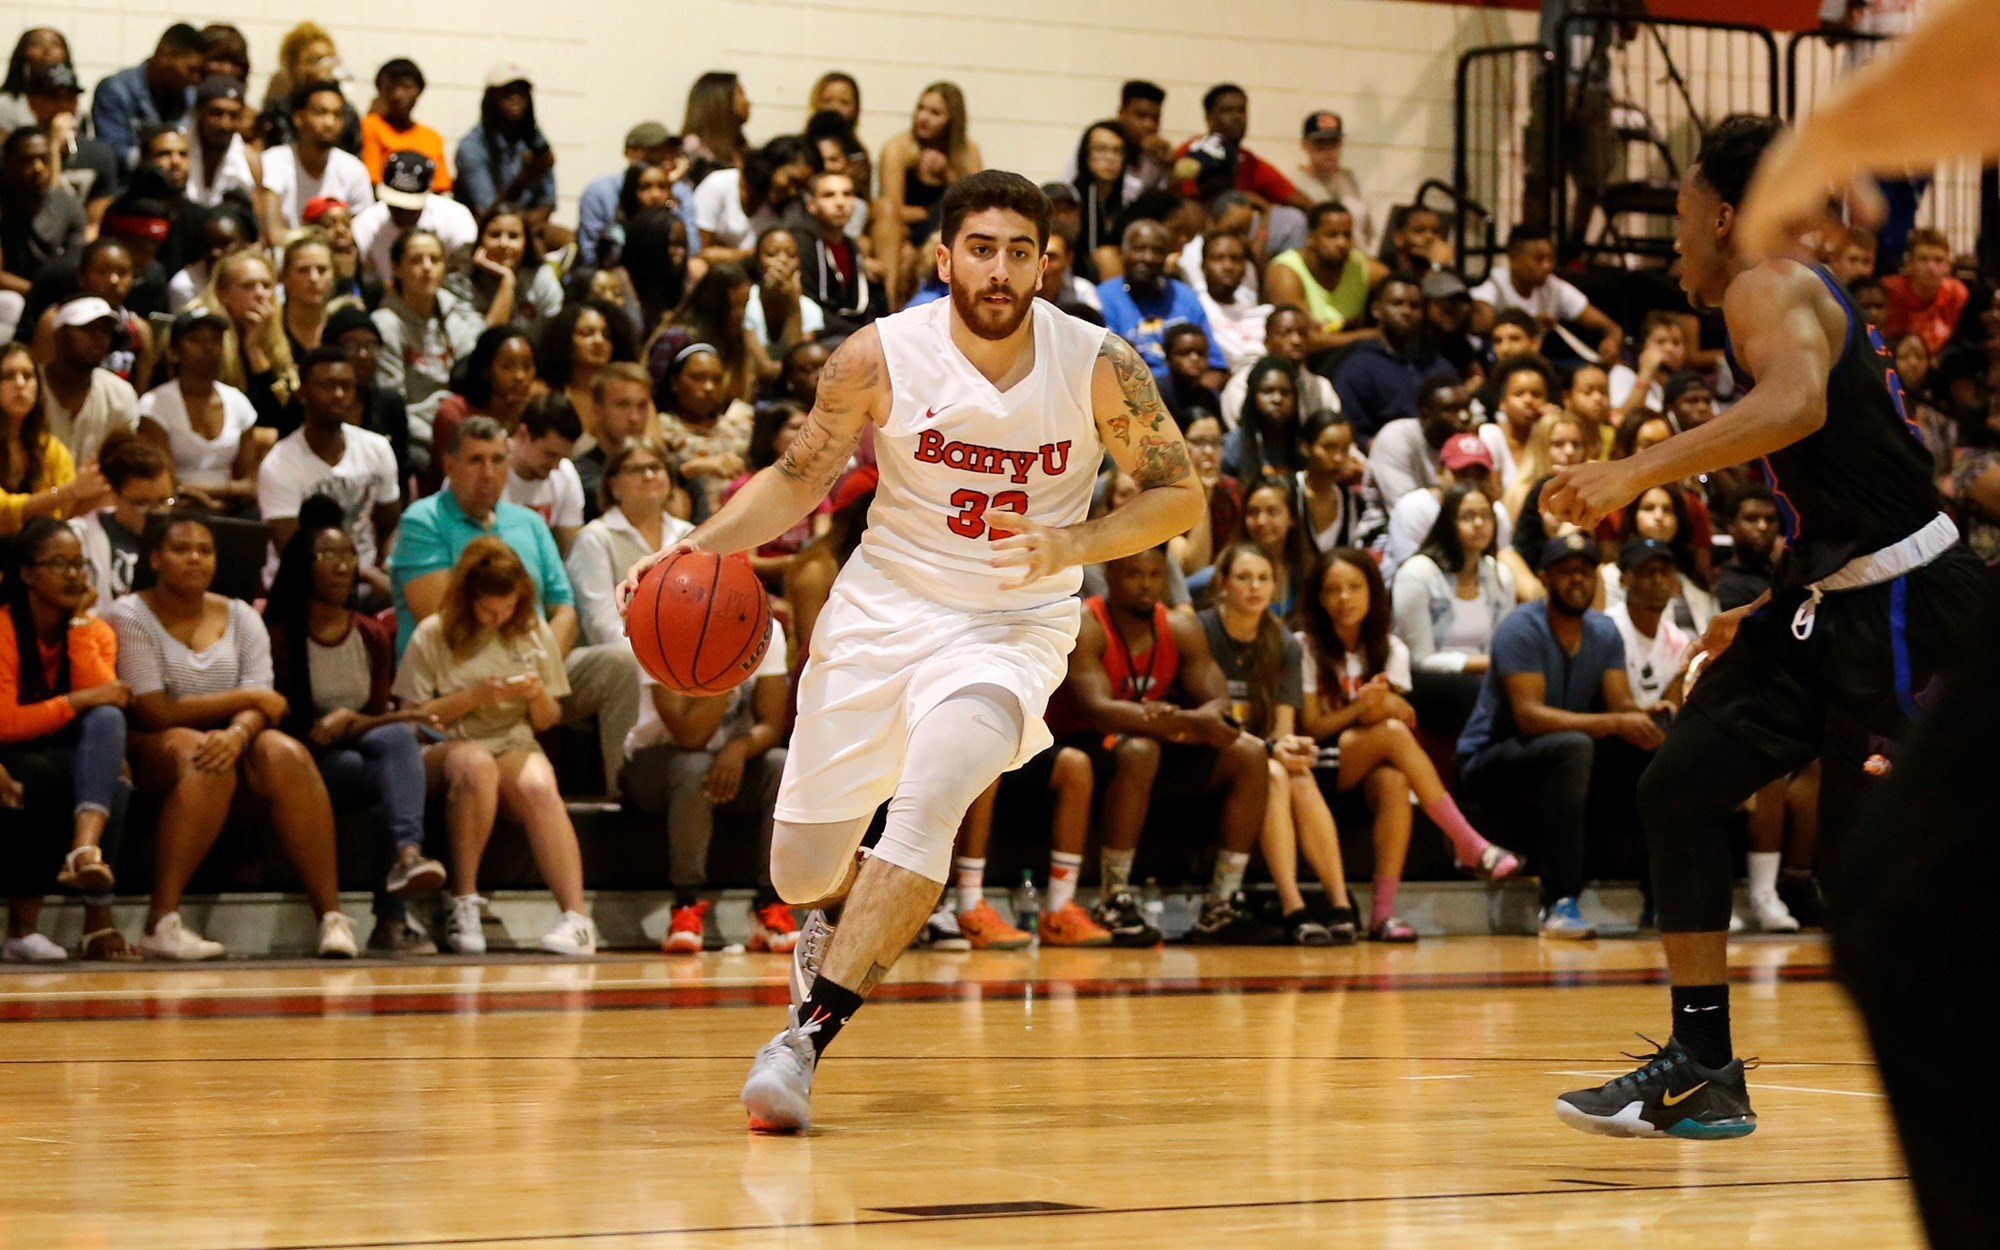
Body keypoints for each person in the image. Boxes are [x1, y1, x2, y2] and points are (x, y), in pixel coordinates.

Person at [614, 172, 1203, 1131]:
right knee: (802, 873)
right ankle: (825, 935)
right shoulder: (877, 355)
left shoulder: (1099, 364)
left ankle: (803, 1041)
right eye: (981, 248)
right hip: (882, 612)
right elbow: (798, 479)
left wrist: (1077, 544)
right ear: (943, 257)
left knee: (931, 800)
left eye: (1021, 250)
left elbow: (1179, 495)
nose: (1000, 269)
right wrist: (689, 550)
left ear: (1046, 261)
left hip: (1012, 628)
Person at [1546, 114, 1989, 1143]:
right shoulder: (1783, 291)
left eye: (1677, 219)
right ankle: (1701, 1067)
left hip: (1904, 607)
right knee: (1680, 781)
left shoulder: (1760, 280)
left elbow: (1791, 405)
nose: (1671, 246)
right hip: (1835, 596)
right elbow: (1843, 469)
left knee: (1880, 873)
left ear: (1720, 213)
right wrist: (1762, 604)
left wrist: (1631, 468)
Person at [107, 510, 355, 960]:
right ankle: (161, 922)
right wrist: (246, 701)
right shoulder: (129, 612)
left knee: (287, 753)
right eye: (181, 549)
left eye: (205, 550)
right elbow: (155, 708)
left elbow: (268, 704)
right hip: (150, 746)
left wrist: (240, 732)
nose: (195, 558)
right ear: (156, 559)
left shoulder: (242, 614)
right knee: (202, 754)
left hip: (233, 743)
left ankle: (332, 918)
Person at [390, 415, 638, 796]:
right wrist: (519, 665)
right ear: (449, 465)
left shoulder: (529, 523)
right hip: (460, 675)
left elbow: (564, 607)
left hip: (530, 665)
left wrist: (538, 666)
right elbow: (439, 617)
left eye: (497, 459)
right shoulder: (422, 521)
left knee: (619, 663)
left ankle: (622, 793)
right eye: (475, 460)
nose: (488, 473)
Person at [1045, 546, 1267, 946]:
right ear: (1110, 575)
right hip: (1083, 745)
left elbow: (1216, 698)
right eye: (1133, 574)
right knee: (1139, 750)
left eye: (1154, 575)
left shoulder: (1181, 627)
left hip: (1151, 746)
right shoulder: (1087, 623)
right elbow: (1097, 710)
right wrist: (1180, 721)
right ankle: (1114, 898)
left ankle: (1222, 901)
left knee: (1249, 753)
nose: (1146, 585)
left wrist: (1207, 720)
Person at [1299, 547, 1520, 942]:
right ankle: (1468, 843)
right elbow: (1313, 727)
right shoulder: (1305, 646)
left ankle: (1383, 915)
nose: (1344, 598)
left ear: (1372, 593)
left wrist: (1380, 708)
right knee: (1393, 735)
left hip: (1368, 769)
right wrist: (1362, 708)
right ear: (1318, 597)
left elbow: (1399, 713)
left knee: (1395, 782)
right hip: (1318, 767)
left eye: (1354, 587)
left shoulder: (1392, 649)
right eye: (1333, 590)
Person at [391, 537, 598, 955]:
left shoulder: (532, 629)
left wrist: (537, 694)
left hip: (513, 739)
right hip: (450, 744)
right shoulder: (434, 633)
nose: (498, 615)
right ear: (467, 598)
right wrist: (472, 697)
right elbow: (409, 720)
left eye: (506, 606)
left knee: (539, 786)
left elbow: (547, 720)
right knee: (476, 765)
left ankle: (577, 918)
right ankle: (464, 900)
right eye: (488, 607)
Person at [1453, 532, 1659, 943]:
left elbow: (1620, 704)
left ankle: (1661, 899)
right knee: (1576, 747)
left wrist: (1654, 714)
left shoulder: (1604, 630)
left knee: (1658, 749)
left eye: (1586, 570)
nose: (1578, 579)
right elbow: (1529, 718)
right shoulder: (1520, 628)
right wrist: (1619, 723)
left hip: (1562, 761)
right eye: (1567, 571)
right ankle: (1558, 902)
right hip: (1491, 764)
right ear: (1546, 578)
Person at [262, 502, 444, 955]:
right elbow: (289, 727)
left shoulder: (371, 634)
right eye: (329, 557)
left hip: (359, 752)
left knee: (396, 749)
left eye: (349, 557)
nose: (343, 567)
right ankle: (392, 913)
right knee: (397, 760)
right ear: (303, 566)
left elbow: (377, 715)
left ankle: (405, 866)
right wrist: (358, 725)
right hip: (304, 762)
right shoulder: (280, 635)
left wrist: (353, 722)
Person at [1199, 543, 1353, 945]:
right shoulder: (1201, 632)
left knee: (1296, 774)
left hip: (1259, 755)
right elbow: (1208, 725)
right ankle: (1293, 906)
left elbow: (1282, 728)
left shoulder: (1284, 644)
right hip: (1206, 756)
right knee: (1272, 772)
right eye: (1244, 577)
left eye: (1264, 578)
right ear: (1222, 584)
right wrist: (1271, 751)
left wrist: (1289, 747)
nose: (1255, 587)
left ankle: (1339, 906)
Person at [0, 517, 132, 964]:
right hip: (12, 752)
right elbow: (3, 723)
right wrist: (77, 700)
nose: (74, 574)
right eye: (59, 564)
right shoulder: (3, 628)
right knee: (44, 774)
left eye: (79, 564)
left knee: (110, 740)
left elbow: (107, 699)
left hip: (70, 749)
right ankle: (22, 928)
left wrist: (77, 626)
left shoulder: (94, 631)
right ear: (26, 573)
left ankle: (83, 851)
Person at [626, 611, 794, 956]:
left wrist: (739, 746)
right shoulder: (660, 625)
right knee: (694, 765)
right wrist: (726, 663)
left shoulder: (766, 630)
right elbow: (690, 735)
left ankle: (770, 906)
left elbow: (772, 724)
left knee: (782, 764)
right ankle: (685, 906)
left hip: (729, 761)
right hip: (654, 765)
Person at [257, 347, 400, 602]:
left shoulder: (377, 448)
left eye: (347, 386)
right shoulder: (279, 464)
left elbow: (389, 525)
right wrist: (362, 576)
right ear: (303, 393)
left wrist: (388, 565)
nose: (339, 394)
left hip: (365, 584)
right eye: (327, 386)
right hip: (301, 590)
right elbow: (293, 553)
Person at [566, 437, 690, 651]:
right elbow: (601, 625)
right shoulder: (595, 538)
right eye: (636, 470)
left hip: (684, 645)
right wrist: (658, 653)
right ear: (613, 484)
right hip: (620, 652)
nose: (649, 476)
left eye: (655, 467)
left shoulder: (689, 534)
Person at [135, 306, 260, 516]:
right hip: (175, 508)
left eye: (215, 340)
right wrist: (226, 493)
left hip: (230, 510)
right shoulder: (155, 405)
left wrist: (216, 502)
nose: (207, 347)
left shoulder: (239, 402)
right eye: (195, 340)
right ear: (174, 352)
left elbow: (248, 484)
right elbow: (165, 483)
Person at [371, 228, 484, 457]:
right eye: (416, 260)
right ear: (396, 267)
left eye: (435, 259)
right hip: (416, 438)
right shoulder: (384, 324)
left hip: (463, 428)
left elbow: (477, 379)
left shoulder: (457, 316)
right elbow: (393, 403)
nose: (427, 267)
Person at [873, 82, 982, 304]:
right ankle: (888, 303)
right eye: (921, 109)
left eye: (935, 113)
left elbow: (976, 205)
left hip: (944, 228)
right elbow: (892, 208)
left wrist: (948, 174)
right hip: (906, 230)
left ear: (952, 120)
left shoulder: (966, 151)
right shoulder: (898, 148)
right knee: (904, 254)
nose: (923, 118)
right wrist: (926, 212)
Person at [1391, 484, 1516, 675]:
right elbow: (1419, 659)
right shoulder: (1417, 574)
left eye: (1486, 515)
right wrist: (1493, 664)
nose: (1478, 523)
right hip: (1431, 685)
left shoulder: (1500, 575)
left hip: (1486, 680)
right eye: (1467, 516)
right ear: (1448, 523)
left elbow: (1503, 645)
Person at [1329, 273, 1459, 440]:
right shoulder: (1356, 368)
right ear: (1376, 310)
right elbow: (1353, 432)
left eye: (1414, 306)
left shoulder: (1440, 367)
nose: (1406, 312)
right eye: (1397, 304)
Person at [1469, 226, 1623, 365]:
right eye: (1539, 259)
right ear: (1513, 259)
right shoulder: (1494, 283)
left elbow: (1611, 327)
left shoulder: (1553, 286)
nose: (1547, 266)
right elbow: (1480, 325)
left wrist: (1612, 340)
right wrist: (1533, 325)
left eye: (1551, 259)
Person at [1096, 220, 1225, 385]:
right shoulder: (1104, 297)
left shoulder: (1185, 296)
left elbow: (1216, 367)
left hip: (1182, 394)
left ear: (1166, 257)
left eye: (1156, 251)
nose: (1148, 258)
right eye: (1139, 249)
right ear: (1123, 253)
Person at [1, 342, 98, 536]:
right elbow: (3, 511)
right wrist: (70, 492)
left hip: (39, 555)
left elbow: (64, 514)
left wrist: (92, 488)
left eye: (27, 376)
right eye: (8, 376)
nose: (20, 384)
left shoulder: (50, 448)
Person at [257, 80, 374, 239]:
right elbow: (273, 235)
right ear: (298, 117)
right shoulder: (272, 162)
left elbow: (360, 235)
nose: (329, 122)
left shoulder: (354, 170)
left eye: (337, 115)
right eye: (321, 113)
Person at [0, 127, 88, 335]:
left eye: (44, 159)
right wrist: (39, 292)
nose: (38, 168)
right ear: (7, 163)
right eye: (27, 160)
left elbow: (74, 264)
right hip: (12, 295)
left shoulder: (68, 205)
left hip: (54, 295)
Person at [654, 342, 756, 521]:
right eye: (697, 378)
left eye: (716, 379)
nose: (709, 387)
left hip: (746, 519)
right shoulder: (661, 426)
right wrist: (699, 466)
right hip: (689, 521)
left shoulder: (743, 420)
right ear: (674, 382)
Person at [1263, 203, 1384, 352]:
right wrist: (1367, 336)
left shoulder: (1362, 267)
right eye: (1332, 235)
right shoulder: (1285, 271)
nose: (1342, 243)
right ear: (1310, 238)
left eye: (1347, 235)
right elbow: (1303, 340)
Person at [35, 296, 140, 467]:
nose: (99, 338)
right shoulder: (28, 387)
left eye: (105, 331)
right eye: (87, 329)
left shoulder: (120, 394)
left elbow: (121, 464)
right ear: (60, 335)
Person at [71, 430, 171, 606]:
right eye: (142, 503)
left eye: (164, 501)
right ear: (114, 494)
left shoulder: (182, 537)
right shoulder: (80, 536)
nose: (156, 513)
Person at [197, 250, 293, 430]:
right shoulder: (203, 337)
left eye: (266, 285)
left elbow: (279, 419)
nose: (260, 294)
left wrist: (255, 350)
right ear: (222, 294)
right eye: (248, 286)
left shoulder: (276, 336)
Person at [351, 152, 479, 282]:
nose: (402, 212)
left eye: (410, 207)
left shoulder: (455, 217)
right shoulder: (365, 223)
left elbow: (464, 269)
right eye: (395, 205)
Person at [454, 65, 556, 228]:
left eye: (522, 92)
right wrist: (523, 179)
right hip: (484, 231)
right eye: (507, 92)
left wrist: (524, 231)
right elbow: (488, 212)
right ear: (491, 98)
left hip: (530, 225)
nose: (516, 98)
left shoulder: (535, 140)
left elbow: (548, 202)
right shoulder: (471, 147)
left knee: (570, 241)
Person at [20, 65, 119, 232]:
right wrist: (53, 147)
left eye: (70, 98)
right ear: (32, 102)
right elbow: (50, 209)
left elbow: (94, 222)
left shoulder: (99, 154)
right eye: (53, 98)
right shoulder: (20, 153)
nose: (63, 106)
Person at [87, 23, 203, 164]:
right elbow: (113, 153)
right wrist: (159, 160)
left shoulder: (189, 96)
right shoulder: (116, 90)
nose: (196, 79)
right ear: (165, 55)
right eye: (191, 69)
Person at [792, 168, 882, 341]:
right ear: (811, 205)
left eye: (847, 194)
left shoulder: (851, 245)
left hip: (850, 332)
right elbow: (810, 306)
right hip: (818, 335)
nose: (840, 202)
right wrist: (859, 333)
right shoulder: (802, 243)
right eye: (829, 195)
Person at [1605, 537, 1691, 714]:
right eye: (1648, 572)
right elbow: (1616, 707)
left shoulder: (1678, 640)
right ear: (1624, 580)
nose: (1658, 580)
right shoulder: (1607, 628)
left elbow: (1673, 709)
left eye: (1665, 572)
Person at [448, 202, 563, 330]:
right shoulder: (462, 284)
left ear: (526, 243)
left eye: (513, 236)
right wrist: (507, 280)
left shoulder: (541, 276)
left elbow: (554, 333)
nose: (504, 244)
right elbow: (488, 343)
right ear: (481, 240)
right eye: (495, 235)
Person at [572, 362, 658, 521]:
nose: (635, 418)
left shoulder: (680, 472)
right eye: (623, 405)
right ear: (598, 411)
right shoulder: (579, 473)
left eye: (642, 406)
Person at [504, 393, 586, 555]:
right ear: (523, 434)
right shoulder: (488, 470)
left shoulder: (566, 474)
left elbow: (569, 549)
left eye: (562, 457)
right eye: (550, 454)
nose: (555, 466)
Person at [360, 58, 451, 194]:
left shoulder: (432, 137)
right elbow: (372, 181)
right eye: (390, 88)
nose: (397, 95)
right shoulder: (370, 126)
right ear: (380, 92)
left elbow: (441, 186)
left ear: (419, 91)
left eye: (406, 87)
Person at [1879, 227, 1966, 356]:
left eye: (1939, 260)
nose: (1931, 267)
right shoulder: (1888, 290)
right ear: (1909, 263)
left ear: (1948, 266)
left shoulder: (1957, 293)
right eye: (1923, 259)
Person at [1295, 111, 1373, 251]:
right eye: (1320, 143)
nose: (1328, 150)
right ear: (1305, 145)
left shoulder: (1350, 178)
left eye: (1333, 143)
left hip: (1358, 260)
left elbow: (1368, 233)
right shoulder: (1294, 182)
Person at [183, 75, 260, 210]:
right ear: (199, 111)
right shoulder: (177, 151)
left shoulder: (250, 162)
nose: (225, 124)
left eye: (233, 116)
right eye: (216, 113)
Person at [1714, 483, 1779, 610]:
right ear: (1731, 526)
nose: (1763, 526)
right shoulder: (1729, 585)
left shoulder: (1784, 575)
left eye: (1770, 519)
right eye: (1751, 519)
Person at [680, 71, 750, 177]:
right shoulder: (694, 148)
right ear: (721, 101)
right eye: (740, 93)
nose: (747, 102)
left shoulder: (740, 148)